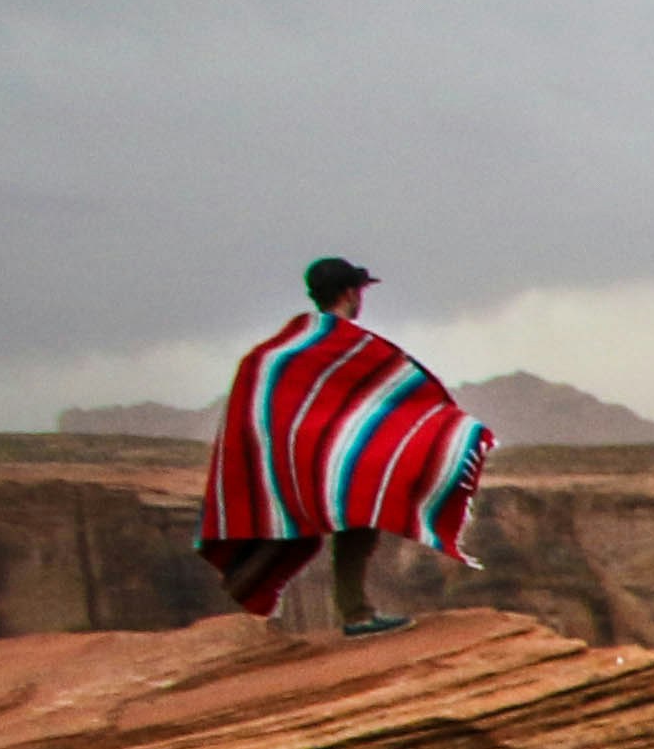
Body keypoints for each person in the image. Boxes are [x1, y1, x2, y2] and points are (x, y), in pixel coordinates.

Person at [195, 256, 495, 635]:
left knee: (348, 518)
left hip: (293, 461)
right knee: (359, 513)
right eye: (359, 291)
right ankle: (355, 614)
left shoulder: (275, 352)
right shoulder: (350, 347)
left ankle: (351, 611)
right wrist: (448, 430)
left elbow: (265, 403)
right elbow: (400, 392)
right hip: (327, 460)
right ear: (350, 293)